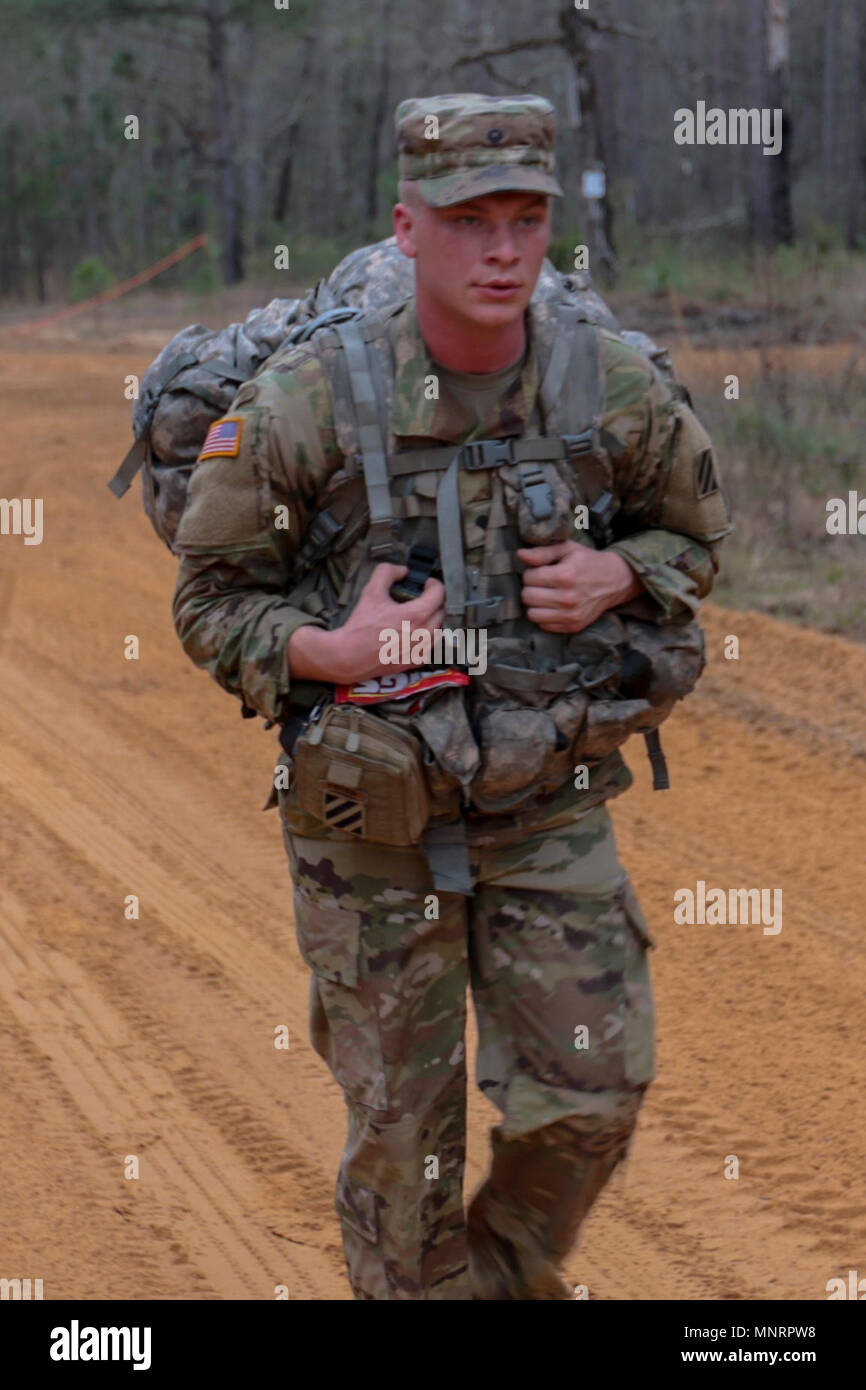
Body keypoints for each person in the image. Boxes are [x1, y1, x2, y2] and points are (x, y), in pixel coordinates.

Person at [171, 92, 732, 1300]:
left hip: (547, 801)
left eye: (524, 219)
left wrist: (616, 571)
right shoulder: (311, 400)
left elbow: (693, 537)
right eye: (468, 218)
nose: (501, 250)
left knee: (591, 1097)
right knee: (402, 1149)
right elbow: (210, 601)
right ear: (405, 226)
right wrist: (334, 650)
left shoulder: (610, 384)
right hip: (367, 831)